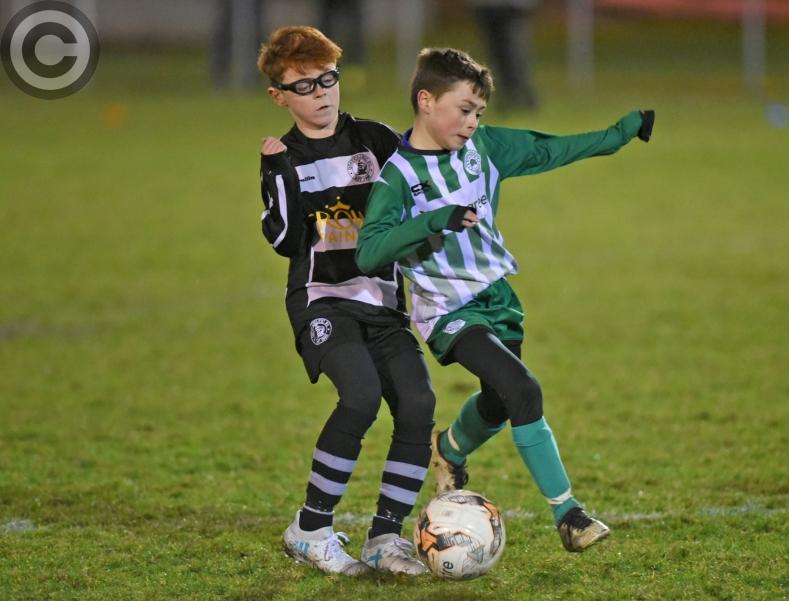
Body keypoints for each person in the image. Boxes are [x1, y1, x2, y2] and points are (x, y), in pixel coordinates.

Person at [356, 47, 654, 553]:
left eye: (479, 112)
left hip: (498, 297)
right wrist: (433, 220)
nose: (472, 122)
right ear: (425, 101)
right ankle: (569, 514)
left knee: (499, 402)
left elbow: (549, 149)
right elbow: (369, 252)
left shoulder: (484, 148)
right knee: (523, 389)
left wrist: (619, 134)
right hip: (447, 309)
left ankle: (448, 450)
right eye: (463, 109)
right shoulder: (398, 177)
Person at [256, 25, 434, 576]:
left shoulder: (376, 140)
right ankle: (310, 529)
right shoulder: (283, 157)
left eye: (327, 79)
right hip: (321, 301)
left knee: (418, 402)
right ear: (279, 96)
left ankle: (385, 538)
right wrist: (280, 171)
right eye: (303, 86)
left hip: (382, 303)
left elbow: (422, 201)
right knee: (358, 395)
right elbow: (285, 241)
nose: (320, 93)